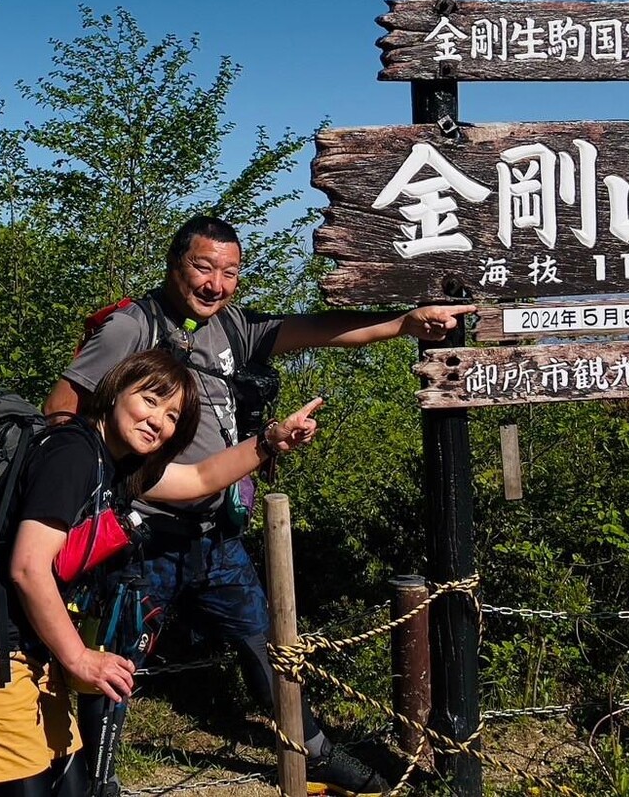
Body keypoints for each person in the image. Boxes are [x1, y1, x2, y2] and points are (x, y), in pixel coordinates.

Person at [43, 215, 476, 797]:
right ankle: (94, 778)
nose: (215, 284)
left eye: (229, 273)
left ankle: (312, 751)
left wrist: (403, 324)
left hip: (214, 533)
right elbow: (61, 410)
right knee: (116, 659)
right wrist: (109, 482)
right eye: (203, 267)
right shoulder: (131, 327)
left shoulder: (231, 327)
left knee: (267, 642)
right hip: (141, 535)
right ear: (174, 264)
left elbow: (317, 330)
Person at [0, 348, 323, 797]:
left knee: (71, 789)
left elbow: (198, 479)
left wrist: (269, 442)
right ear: (115, 391)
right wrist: (80, 658)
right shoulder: (72, 454)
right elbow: (28, 568)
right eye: (149, 400)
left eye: (172, 416)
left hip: (28, 652)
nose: (158, 421)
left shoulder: (111, 464)